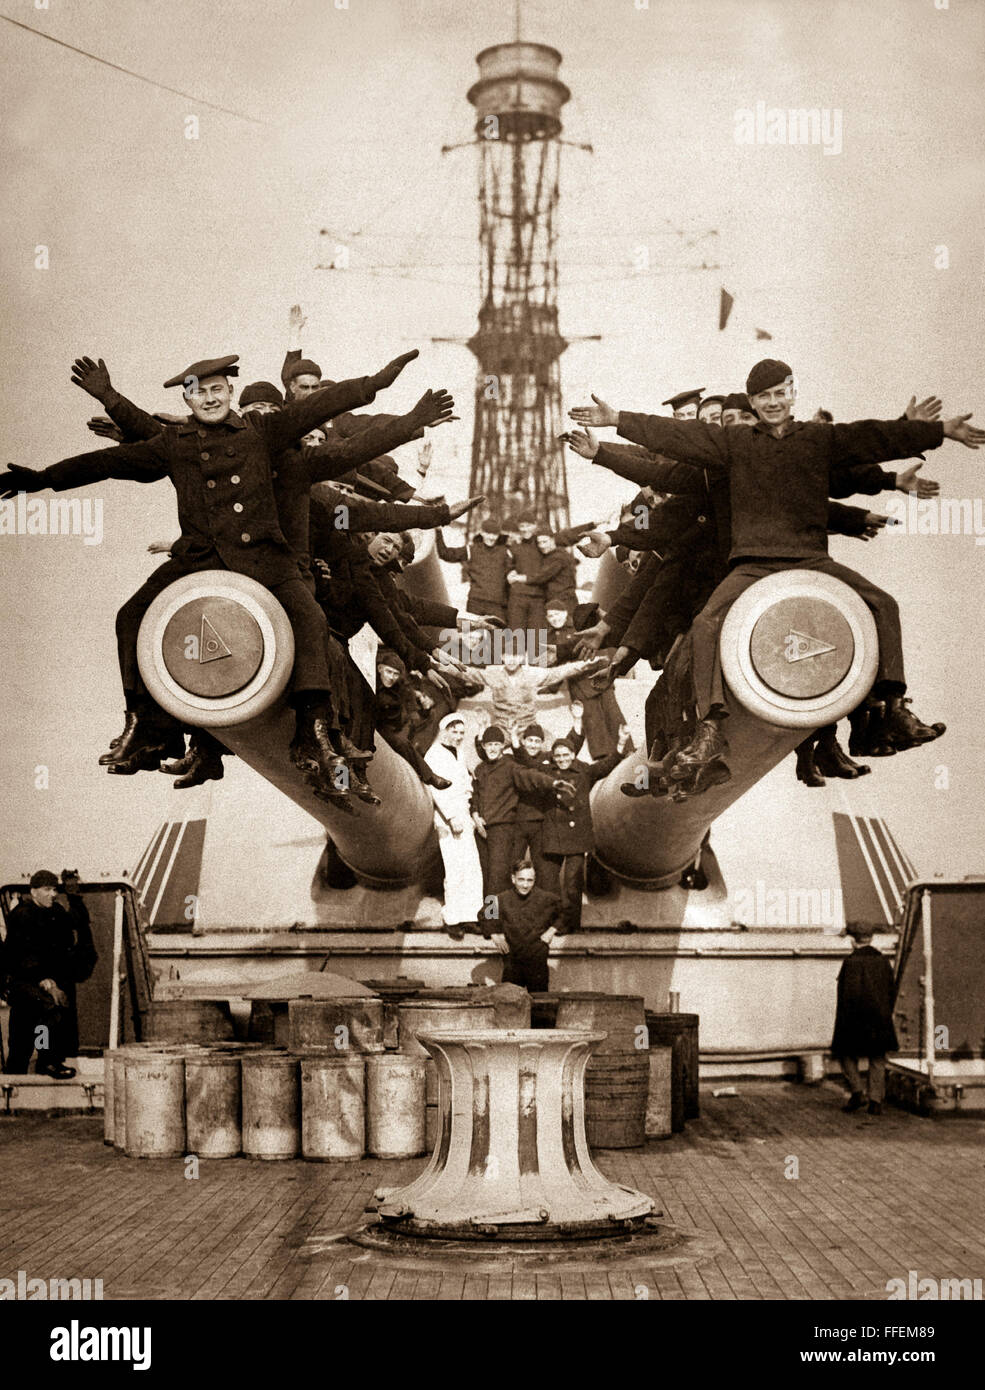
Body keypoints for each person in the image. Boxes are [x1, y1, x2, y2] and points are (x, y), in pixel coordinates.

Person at [1, 348, 421, 803]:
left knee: (310, 620)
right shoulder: (176, 443)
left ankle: (314, 729)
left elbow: (323, 408)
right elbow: (108, 463)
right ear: (188, 399)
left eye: (217, 390)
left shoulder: (260, 432)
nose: (210, 399)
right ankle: (147, 728)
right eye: (199, 393)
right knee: (131, 616)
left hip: (267, 560)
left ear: (231, 393)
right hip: (202, 558)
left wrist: (376, 383)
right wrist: (43, 478)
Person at [569, 360, 982, 789]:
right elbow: (678, 437)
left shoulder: (817, 440)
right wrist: (617, 421)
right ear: (752, 402)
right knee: (708, 624)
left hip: (808, 559)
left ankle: (891, 708)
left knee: (881, 604)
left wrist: (935, 433)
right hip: (753, 562)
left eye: (778, 394)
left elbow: (868, 440)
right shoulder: (735, 444)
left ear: (792, 393)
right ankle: (710, 729)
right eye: (762, 397)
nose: (772, 403)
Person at [1, 871, 96, 1078]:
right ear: (33, 892)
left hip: (42, 984)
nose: (52, 894)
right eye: (47, 889)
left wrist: (73, 895)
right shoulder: (22, 915)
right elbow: (19, 955)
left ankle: (40, 1063)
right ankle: (43, 1063)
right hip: (23, 982)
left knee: (32, 1031)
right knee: (48, 1011)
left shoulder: (55, 912)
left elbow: (77, 920)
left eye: (54, 889)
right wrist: (44, 981)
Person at [469, 726, 572, 897]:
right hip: (481, 830)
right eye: (489, 744)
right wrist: (475, 814)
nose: (493, 748)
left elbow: (530, 776)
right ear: (484, 746)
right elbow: (476, 795)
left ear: (503, 746)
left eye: (496, 744)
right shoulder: (480, 769)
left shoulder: (511, 766)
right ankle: (489, 920)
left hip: (502, 830)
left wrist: (553, 783)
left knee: (497, 879)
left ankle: (494, 918)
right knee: (485, 876)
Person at [540, 731, 629, 931]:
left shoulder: (584, 771)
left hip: (576, 837)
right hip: (553, 834)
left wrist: (621, 743)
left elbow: (605, 766)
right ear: (553, 758)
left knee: (572, 884)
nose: (562, 759)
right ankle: (551, 921)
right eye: (558, 756)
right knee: (548, 883)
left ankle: (570, 923)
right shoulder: (547, 773)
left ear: (573, 755)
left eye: (566, 755)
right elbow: (527, 763)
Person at [424, 714, 484, 932]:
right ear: (445, 730)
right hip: (449, 817)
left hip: (463, 811)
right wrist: (451, 816)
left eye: (461, 733)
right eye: (454, 732)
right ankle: (452, 919)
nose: (458, 737)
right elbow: (434, 788)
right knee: (454, 867)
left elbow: (465, 779)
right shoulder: (434, 755)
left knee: (471, 866)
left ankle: (470, 915)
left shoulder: (458, 751)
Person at [831, 926, 899, 1116]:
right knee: (877, 1058)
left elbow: (845, 995)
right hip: (879, 1019)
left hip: (853, 1019)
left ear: (854, 941)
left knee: (846, 1055)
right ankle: (875, 1101)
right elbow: (891, 991)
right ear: (870, 939)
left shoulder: (850, 962)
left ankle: (857, 1092)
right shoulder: (883, 961)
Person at [480, 859, 562, 993]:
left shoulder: (546, 898)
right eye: (521, 879)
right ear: (513, 879)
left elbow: (567, 913)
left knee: (540, 1005)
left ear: (534, 880)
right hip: (512, 961)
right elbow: (483, 915)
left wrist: (551, 931)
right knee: (509, 1003)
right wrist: (494, 935)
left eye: (530, 880)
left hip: (537, 961)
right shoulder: (501, 899)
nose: (525, 885)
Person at [435, 514, 512, 623]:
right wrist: (437, 532)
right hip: (475, 602)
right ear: (482, 532)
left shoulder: (505, 552)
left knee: (499, 639)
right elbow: (445, 554)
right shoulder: (472, 550)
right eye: (488, 533)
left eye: (494, 534)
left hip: (497, 605)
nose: (491, 537)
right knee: (470, 637)